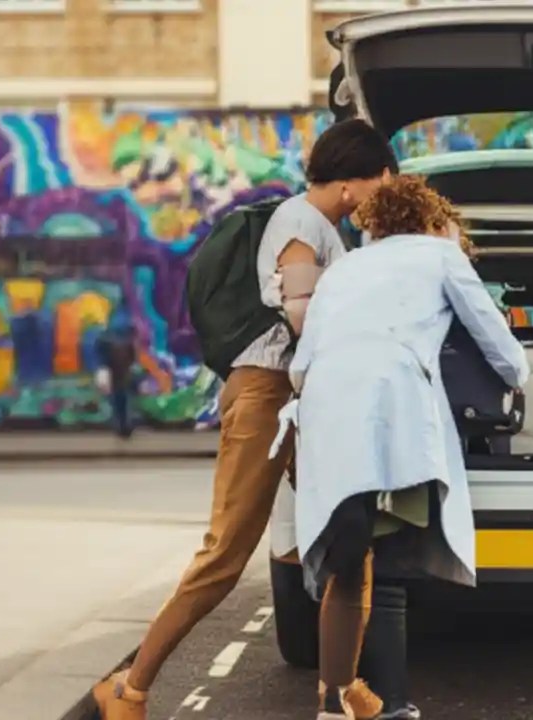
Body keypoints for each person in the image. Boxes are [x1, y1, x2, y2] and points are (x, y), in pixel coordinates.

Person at [92, 118, 396, 720]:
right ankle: (129, 689)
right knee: (227, 553)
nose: (381, 199)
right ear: (350, 182)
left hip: (305, 397)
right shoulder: (301, 225)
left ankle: (340, 690)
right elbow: (305, 315)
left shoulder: (325, 227)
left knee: (350, 539)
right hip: (266, 394)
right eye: (381, 185)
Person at [277, 175, 529, 719]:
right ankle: (386, 705)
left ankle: (342, 699)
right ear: (434, 220)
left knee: (348, 559)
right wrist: (519, 374)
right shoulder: (441, 257)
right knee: (384, 566)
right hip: (390, 416)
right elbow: (498, 342)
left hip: (327, 412)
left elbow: (300, 365)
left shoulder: (343, 268)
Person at [94, 307, 139, 438]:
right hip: (123, 375)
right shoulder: (127, 340)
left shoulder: (106, 338)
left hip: (115, 375)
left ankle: (121, 426)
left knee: (118, 402)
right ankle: (125, 426)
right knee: (125, 401)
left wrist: (102, 367)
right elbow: (132, 357)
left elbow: (101, 355)